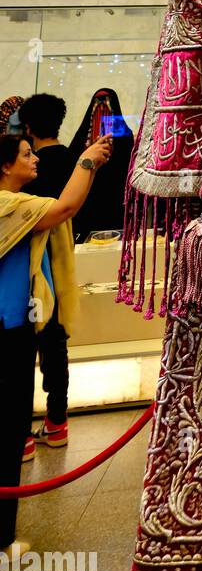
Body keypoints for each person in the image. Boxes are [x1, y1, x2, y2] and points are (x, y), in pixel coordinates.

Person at [0, 131, 110, 552]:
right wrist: (86, 161)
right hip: (5, 334)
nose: (35, 160)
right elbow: (65, 207)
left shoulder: (21, 207)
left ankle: (4, 536)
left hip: (18, 329)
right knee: (6, 434)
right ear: (5, 165)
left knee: (11, 435)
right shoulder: (9, 207)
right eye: (26, 155)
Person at [19, 94, 75, 458]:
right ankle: (57, 422)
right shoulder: (72, 159)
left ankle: (20, 434)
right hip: (61, 262)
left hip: (28, 268)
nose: (31, 159)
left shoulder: (25, 175)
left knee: (20, 350)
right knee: (55, 345)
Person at [67, 89, 133, 243]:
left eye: (106, 101)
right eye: (99, 101)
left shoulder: (125, 136)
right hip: (87, 199)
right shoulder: (82, 135)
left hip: (115, 198)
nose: (102, 106)